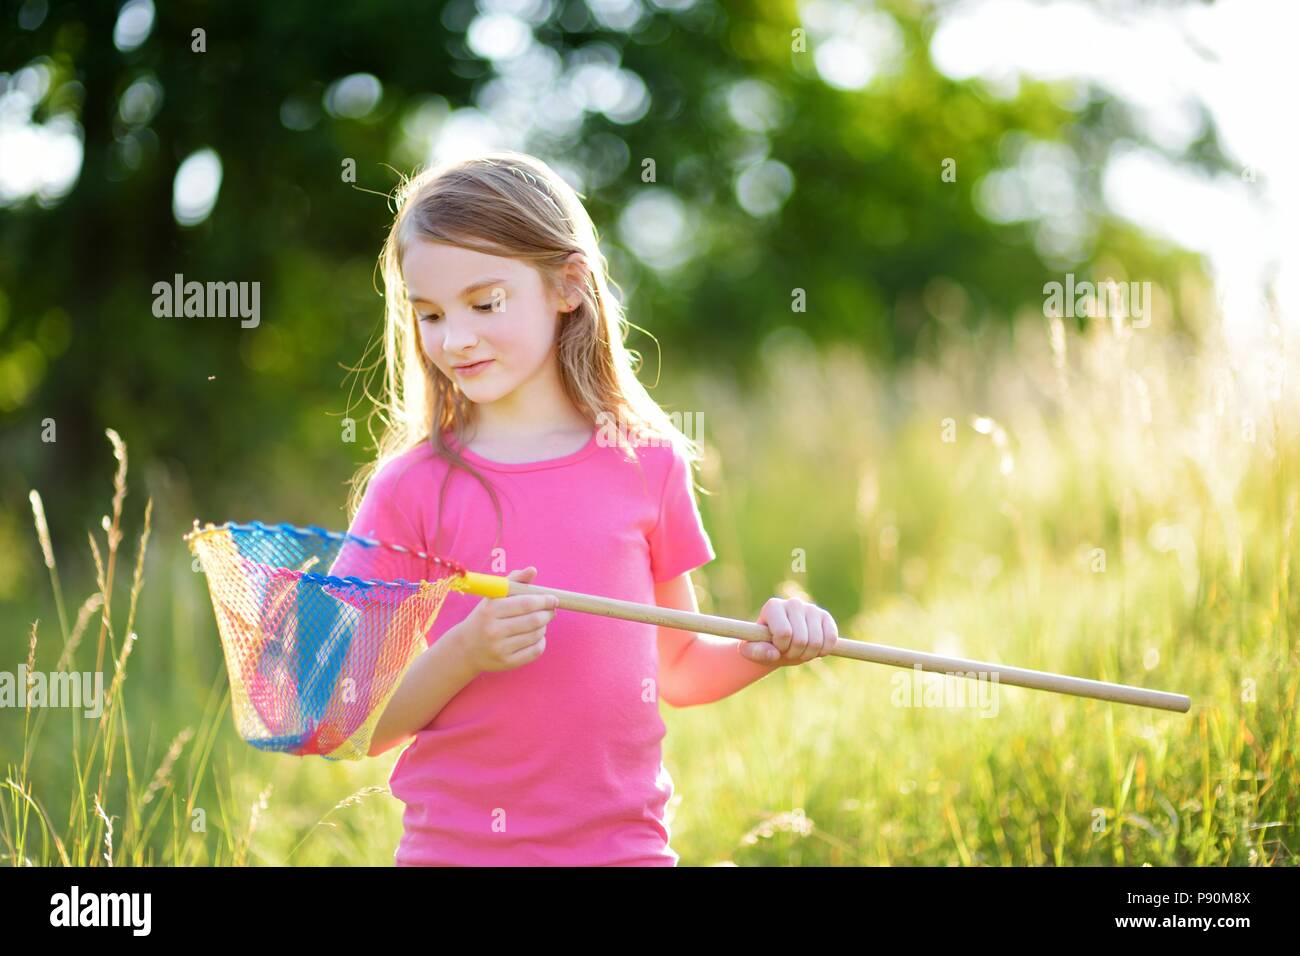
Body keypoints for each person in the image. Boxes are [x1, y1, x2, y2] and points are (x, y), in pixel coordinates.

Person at [339, 150, 838, 866]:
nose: (456, 337)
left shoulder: (646, 463)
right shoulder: (410, 490)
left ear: (567, 285)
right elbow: (354, 723)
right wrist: (466, 653)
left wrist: (767, 648)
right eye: (430, 313)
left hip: (625, 852)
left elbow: (681, 667)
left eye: (485, 303)